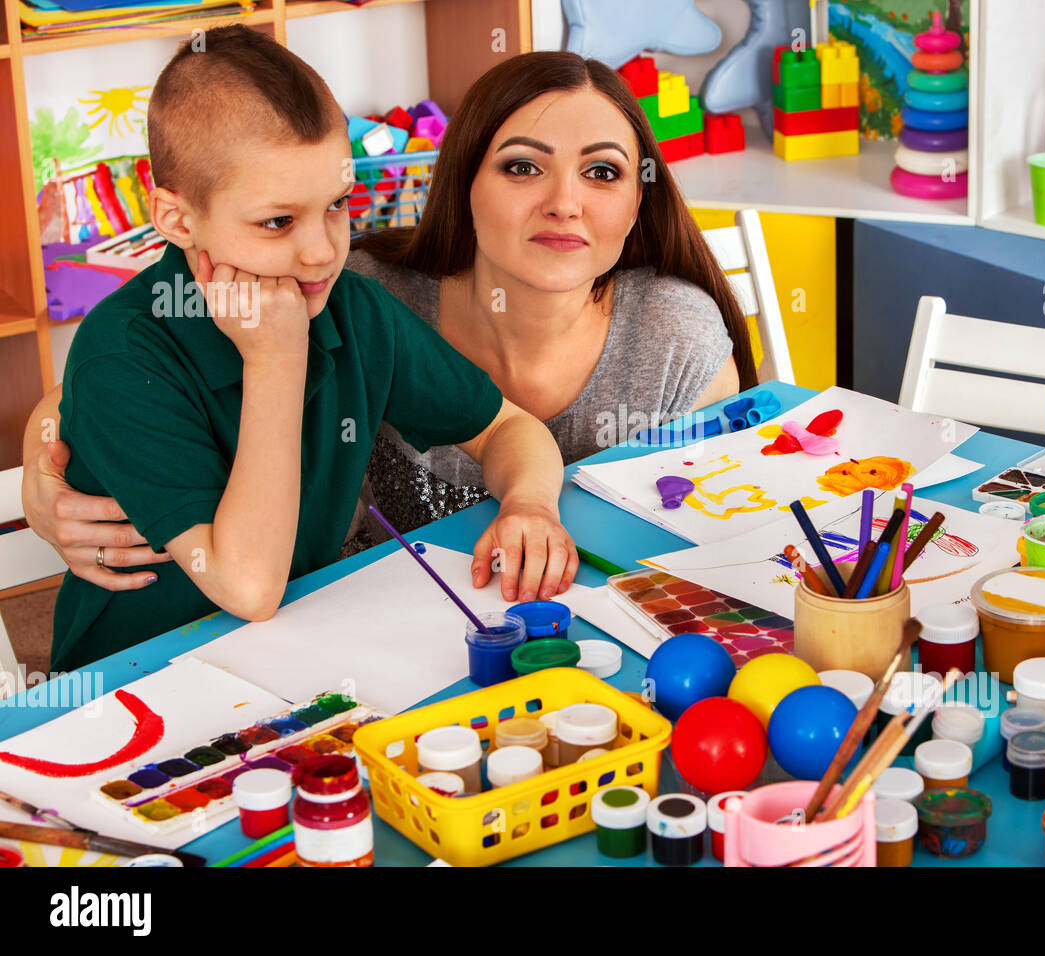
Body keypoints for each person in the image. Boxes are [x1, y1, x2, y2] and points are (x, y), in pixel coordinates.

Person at [22, 51, 755, 592]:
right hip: (243, 658)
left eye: (603, 172)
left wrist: (530, 501)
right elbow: (106, 382)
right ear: (462, 180)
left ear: (638, 200)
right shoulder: (367, 288)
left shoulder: (673, 334)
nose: (566, 203)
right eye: (523, 168)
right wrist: (43, 468)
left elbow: (740, 533)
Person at [39, 27, 574, 672]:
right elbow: (248, 587)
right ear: (179, 220)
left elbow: (505, 428)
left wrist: (530, 503)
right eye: (277, 222)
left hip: (302, 647)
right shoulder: (123, 355)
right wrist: (275, 360)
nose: (322, 250)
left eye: (337, 205)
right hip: (141, 683)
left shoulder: (353, 307)